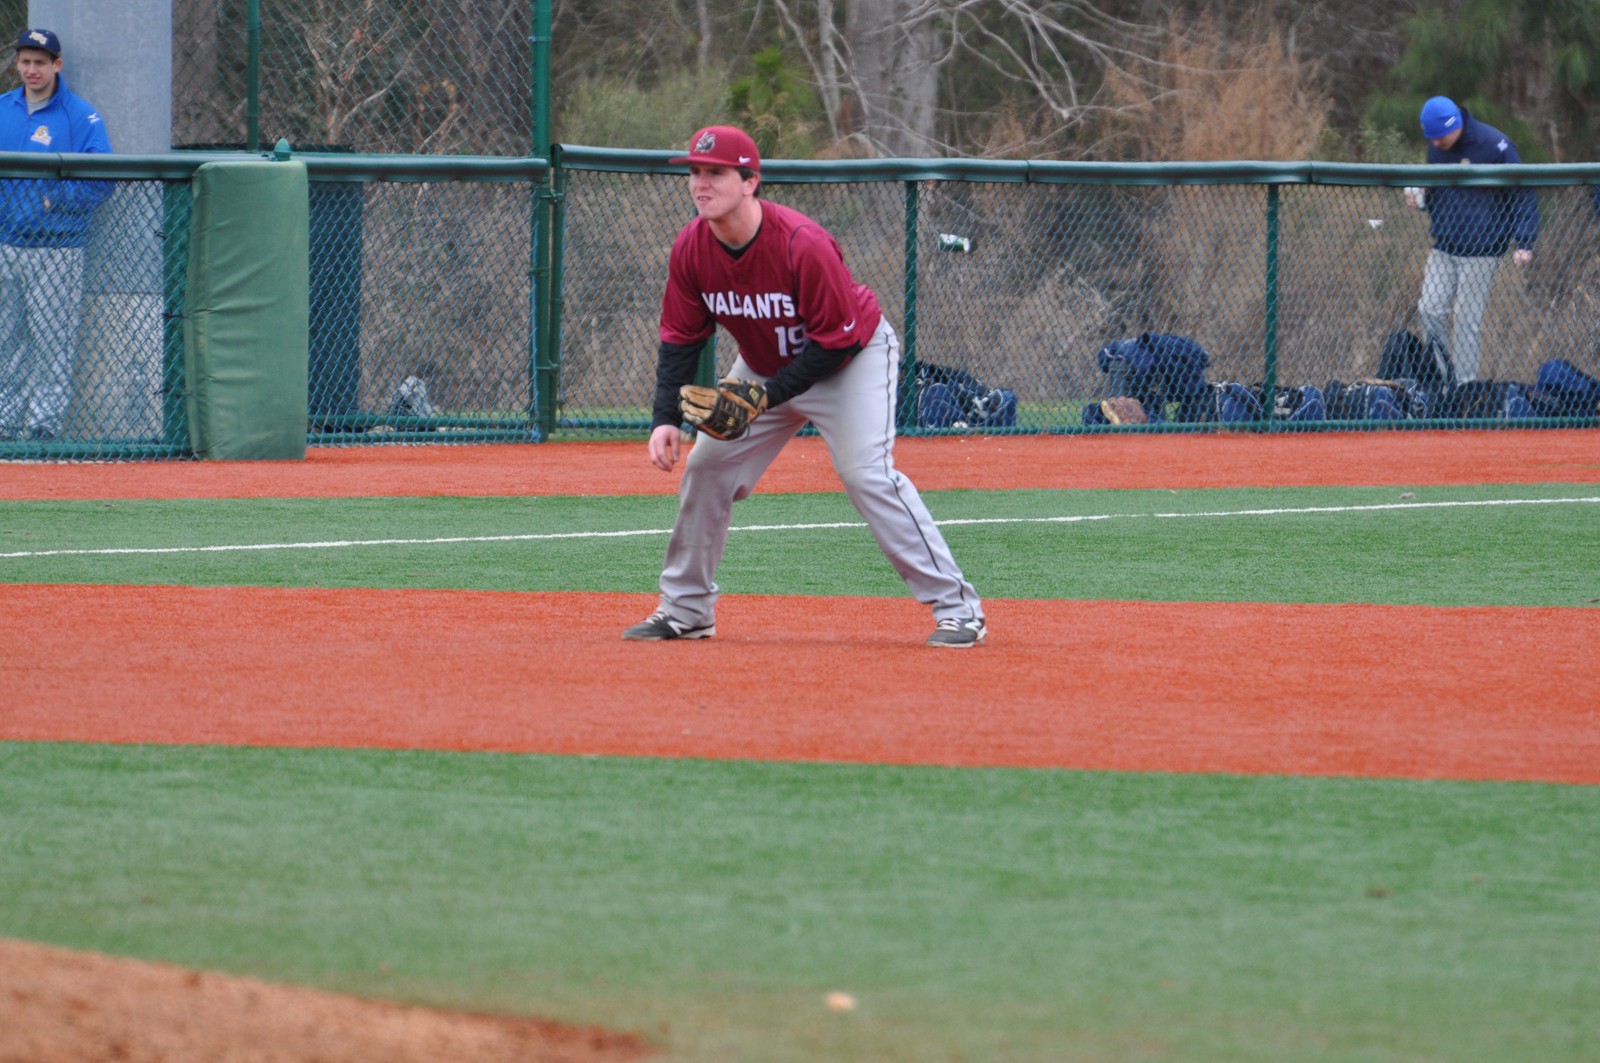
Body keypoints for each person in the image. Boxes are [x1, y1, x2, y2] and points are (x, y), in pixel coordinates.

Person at [623, 124, 987, 648]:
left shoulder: (801, 243)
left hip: (851, 361)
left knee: (866, 475)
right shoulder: (691, 248)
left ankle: (959, 610)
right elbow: (681, 339)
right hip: (764, 366)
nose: (701, 184)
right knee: (706, 468)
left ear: (750, 181)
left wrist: (764, 398)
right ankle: (686, 610)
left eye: (716, 173)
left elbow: (833, 345)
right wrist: (664, 418)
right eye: (696, 173)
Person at [0, 28, 113, 441]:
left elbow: (102, 180)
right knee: (5, 342)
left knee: (52, 344)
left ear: (56, 65)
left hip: (56, 248)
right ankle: (6, 424)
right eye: (25, 62)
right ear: (17, 64)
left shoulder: (80, 116)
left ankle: (44, 427)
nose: (32, 70)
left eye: (40, 63)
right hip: (4, 244)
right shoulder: (3, 108)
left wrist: (53, 200)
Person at [1404, 95, 1537, 385]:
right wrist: (1421, 199)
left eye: (1439, 137)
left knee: (1465, 318)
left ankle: (1465, 388)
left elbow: (1523, 192)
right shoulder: (1437, 148)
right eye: (1431, 139)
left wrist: (1524, 241)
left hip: (1482, 251)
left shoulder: (1494, 144)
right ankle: (1439, 382)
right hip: (1444, 247)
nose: (1435, 144)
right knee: (1429, 309)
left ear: (1455, 125)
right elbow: (1436, 191)